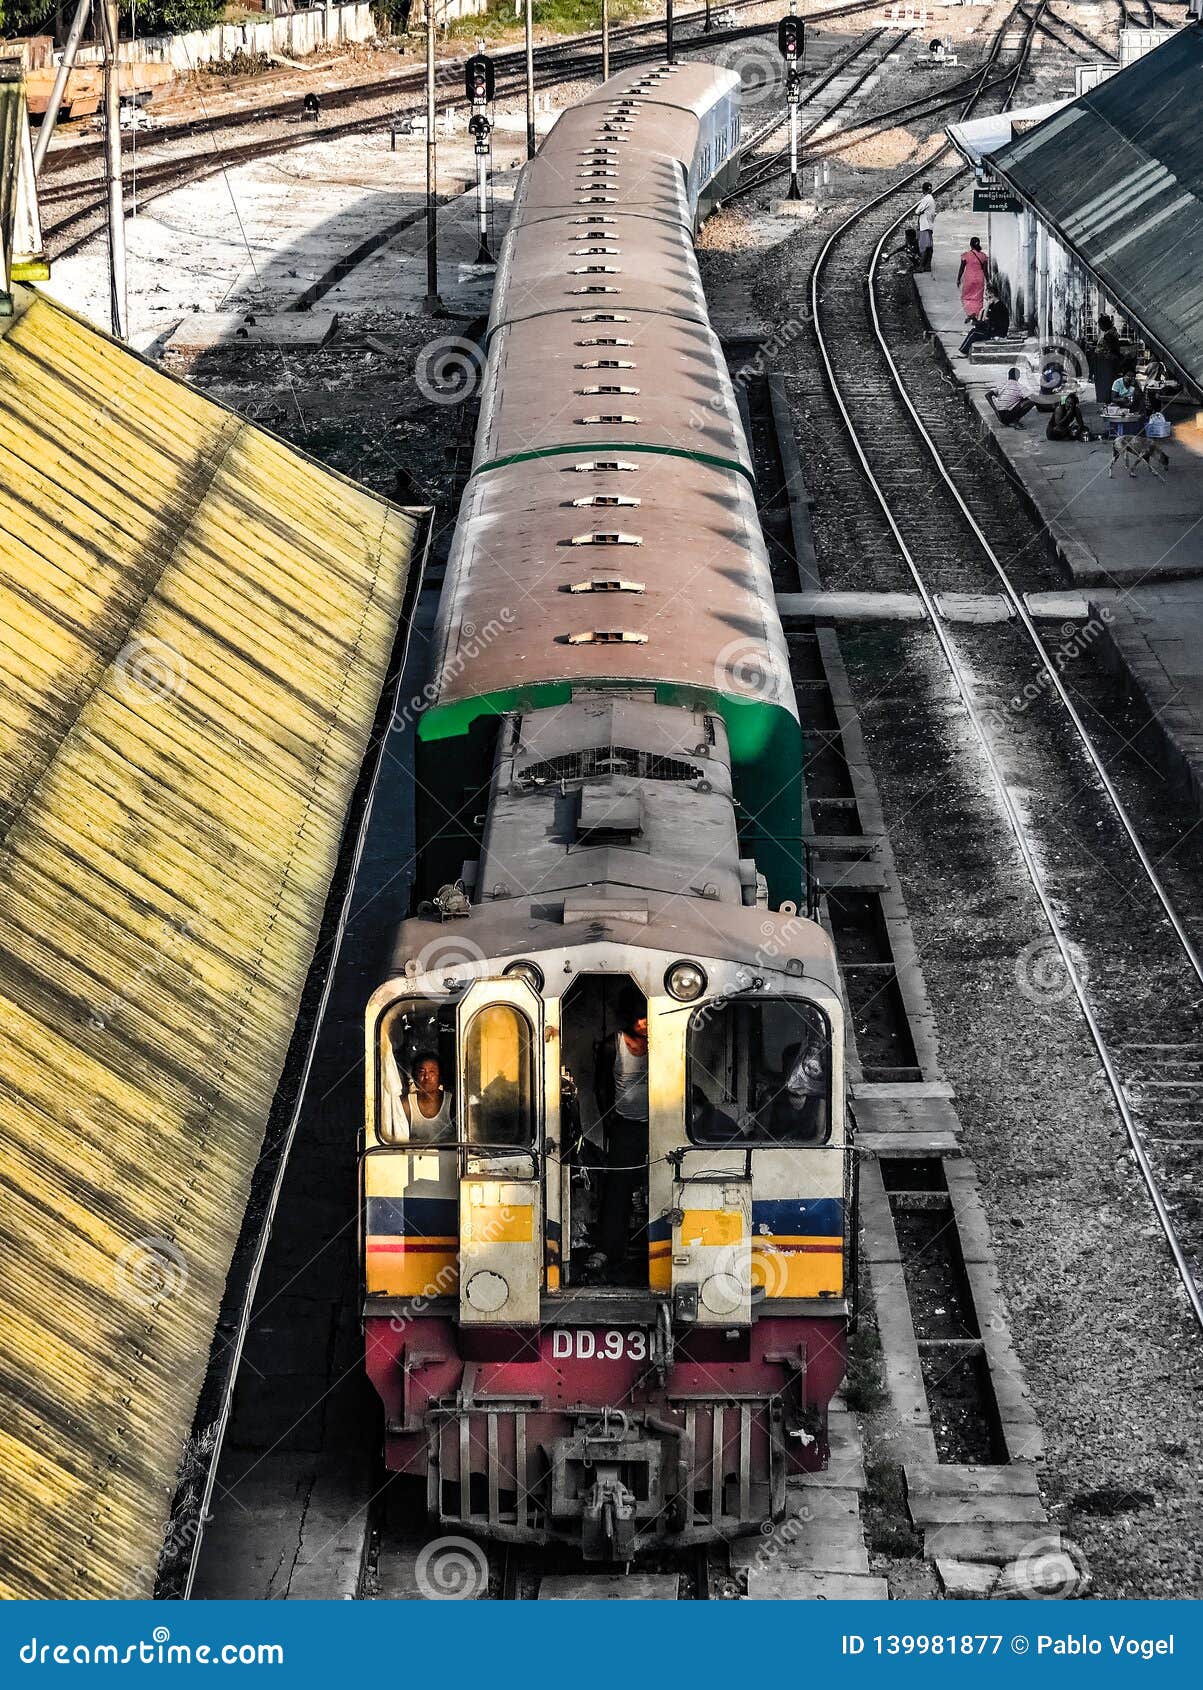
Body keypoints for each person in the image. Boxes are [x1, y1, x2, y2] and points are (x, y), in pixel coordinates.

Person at [587, 987, 649, 1273]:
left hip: (661, 1125)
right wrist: (609, 1122)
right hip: (625, 1124)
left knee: (662, 1183)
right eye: (640, 1019)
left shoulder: (663, 1040)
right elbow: (600, 1086)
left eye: (648, 1018)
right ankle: (610, 1250)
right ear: (628, 1020)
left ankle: (659, 1252)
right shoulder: (614, 1044)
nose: (646, 1023)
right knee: (618, 1190)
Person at [401, 1054, 454, 1143]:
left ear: (440, 1077)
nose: (426, 1077)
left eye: (432, 1072)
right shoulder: (407, 1104)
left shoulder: (453, 1103)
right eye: (421, 1072)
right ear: (414, 1077)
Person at [959, 290, 1010, 357]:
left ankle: (963, 352)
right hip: (993, 329)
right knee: (973, 331)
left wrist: (988, 306)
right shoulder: (993, 305)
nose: (986, 298)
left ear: (992, 295)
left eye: (987, 296)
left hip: (997, 332)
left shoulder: (999, 307)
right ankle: (963, 351)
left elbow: (991, 321)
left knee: (974, 334)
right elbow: (985, 318)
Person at [1092, 313, 1122, 406]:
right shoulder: (1110, 333)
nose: (1100, 327)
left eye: (1101, 325)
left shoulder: (1109, 335)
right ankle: (1107, 403)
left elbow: (1113, 349)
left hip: (1106, 364)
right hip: (1105, 362)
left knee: (1106, 384)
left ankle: (1108, 403)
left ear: (1105, 324)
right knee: (1106, 384)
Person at [957, 236, 989, 319]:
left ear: (970, 245)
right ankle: (977, 314)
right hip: (979, 279)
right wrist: (988, 281)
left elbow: (961, 269)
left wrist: (958, 279)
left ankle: (970, 313)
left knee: (967, 297)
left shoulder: (966, 255)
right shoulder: (983, 256)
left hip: (969, 278)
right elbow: (985, 271)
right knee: (978, 298)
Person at [914, 181, 936, 272]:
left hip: (924, 226)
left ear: (923, 190)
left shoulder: (926, 199)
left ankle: (921, 267)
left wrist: (920, 212)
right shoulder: (932, 199)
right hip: (930, 225)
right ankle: (928, 266)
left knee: (923, 247)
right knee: (929, 247)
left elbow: (917, 211)